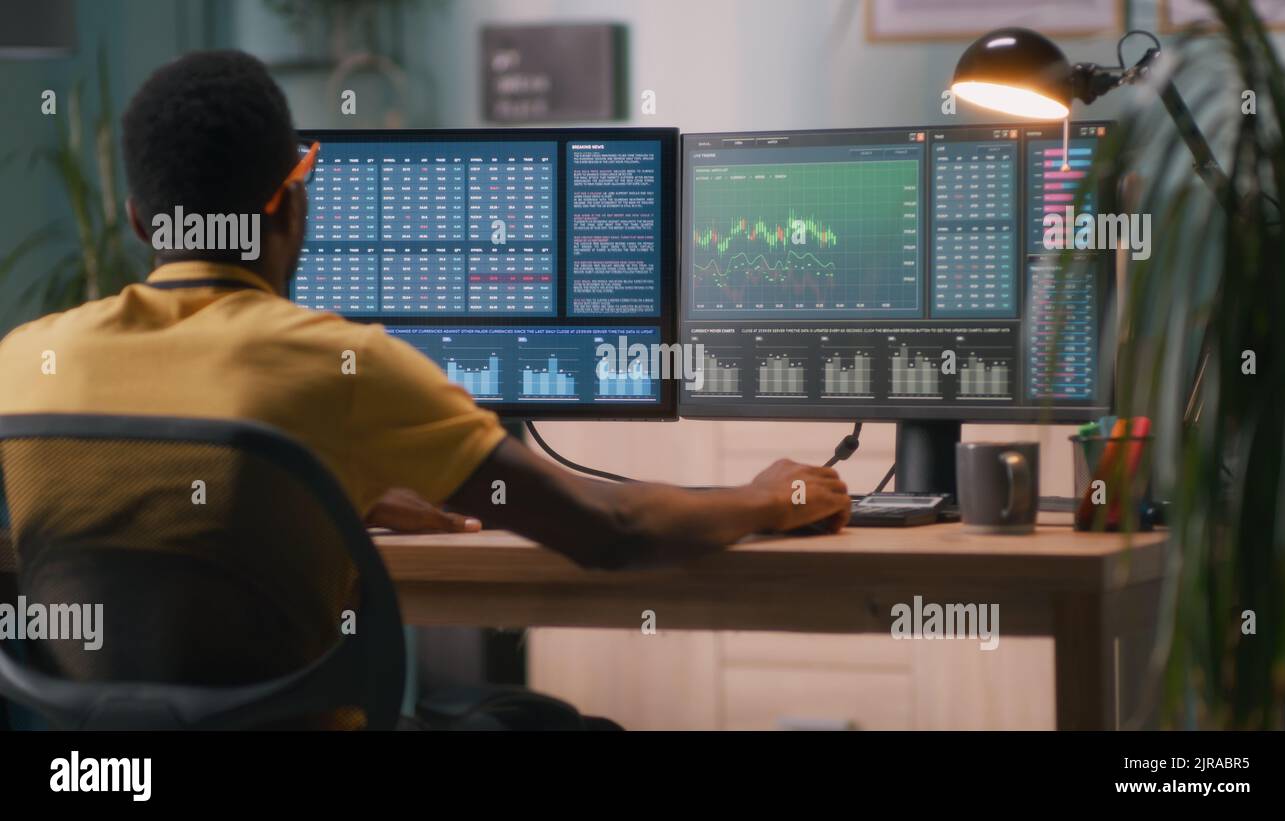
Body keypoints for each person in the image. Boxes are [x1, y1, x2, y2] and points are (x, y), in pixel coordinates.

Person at [0, 50, 851, 571]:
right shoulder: (339, 364)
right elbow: (610, 531)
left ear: (142, 221)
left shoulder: (23, 363)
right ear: (294, 199)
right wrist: (766, 497)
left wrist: (324, 497)